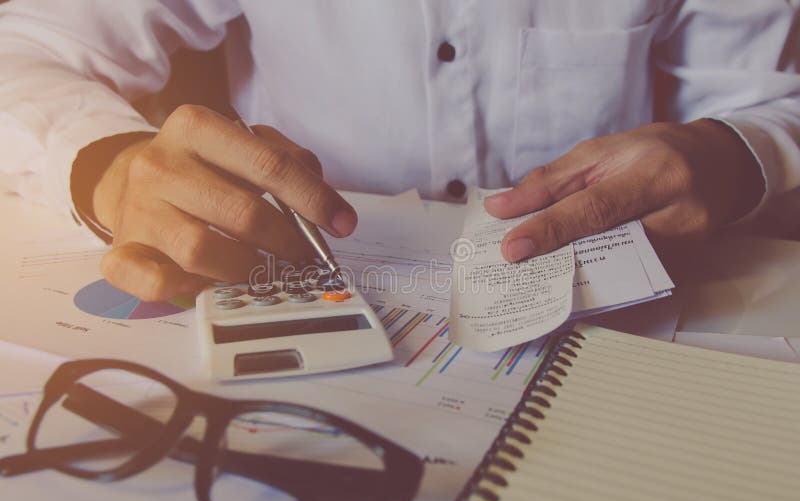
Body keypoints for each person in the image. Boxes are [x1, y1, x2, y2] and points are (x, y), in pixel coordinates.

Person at [0, 1, 798, 301]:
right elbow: (24, 47)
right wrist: (104, 163)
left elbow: (772, 98)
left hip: (621, 330)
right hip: (296, 305)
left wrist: (732, 153)